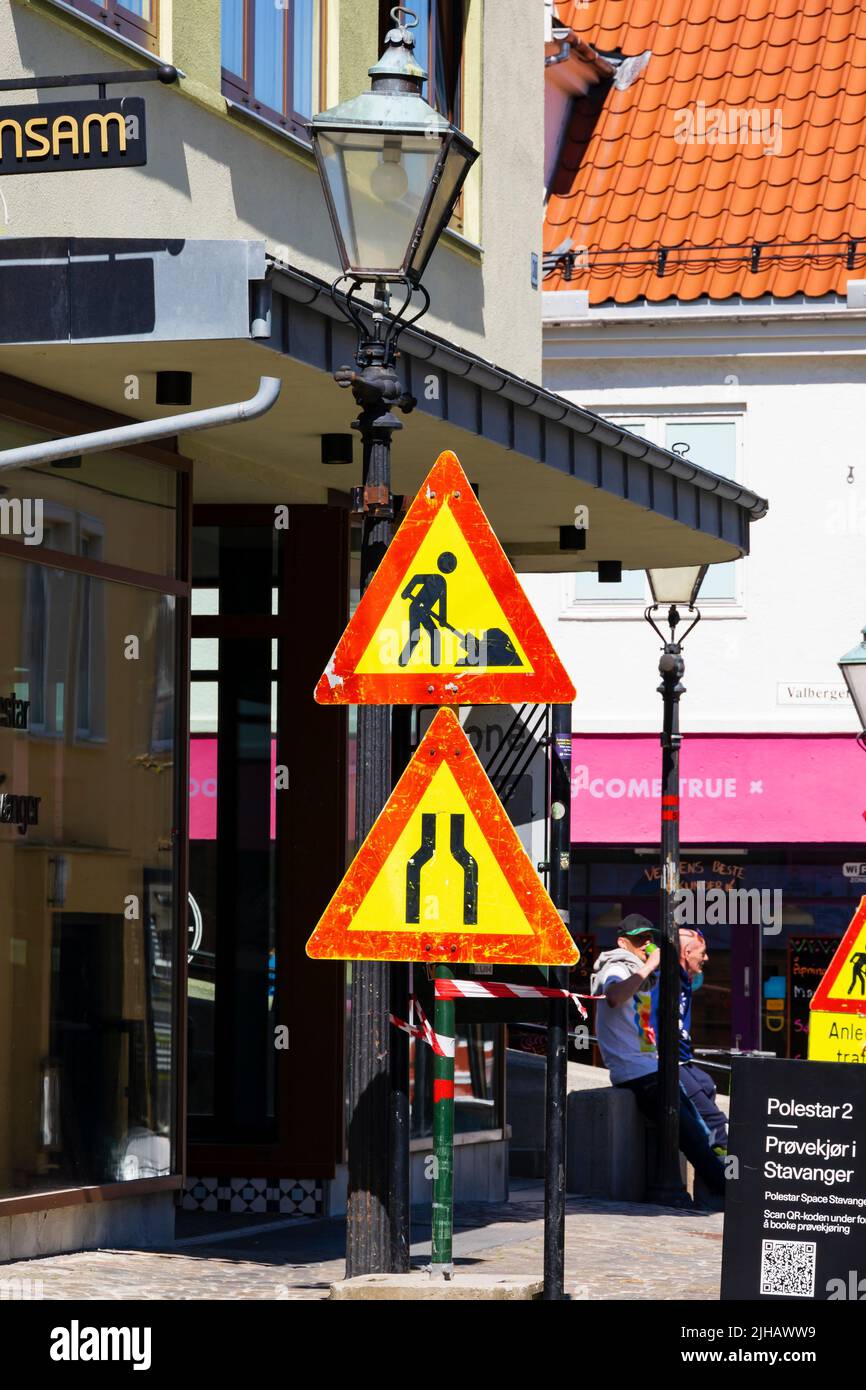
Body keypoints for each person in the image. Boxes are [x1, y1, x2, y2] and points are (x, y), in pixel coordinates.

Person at [590, 913, 726, 1201]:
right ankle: (725, 1192)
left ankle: (714, 1189)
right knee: (693, 1135)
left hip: (650, 1066)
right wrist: (650, 963)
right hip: (637, 1072)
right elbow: (613, 996)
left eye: (649, 938)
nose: (646, 943)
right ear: (622, 942)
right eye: (639, 939)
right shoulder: (616, 966)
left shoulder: (641, 971)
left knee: (699, 1127)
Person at [670, 927, 729, 1152]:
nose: (706, 958)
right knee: (716, 1123)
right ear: (686, 952)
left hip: (684, 1060)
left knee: (707, 1084)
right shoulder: (666, 982)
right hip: (669, 1063)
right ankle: (720, 1176)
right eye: (702, 952)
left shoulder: (685, 980)